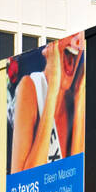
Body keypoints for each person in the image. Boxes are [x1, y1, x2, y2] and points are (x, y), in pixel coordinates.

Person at [10, 31, 85, 173]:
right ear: (47, 50)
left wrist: (80, 98)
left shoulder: (74, 100)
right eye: (70, 35)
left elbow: (76, 181)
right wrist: (52, 92)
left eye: (80, 36)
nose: (77, 40)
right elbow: (25, 181)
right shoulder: (30, 87)